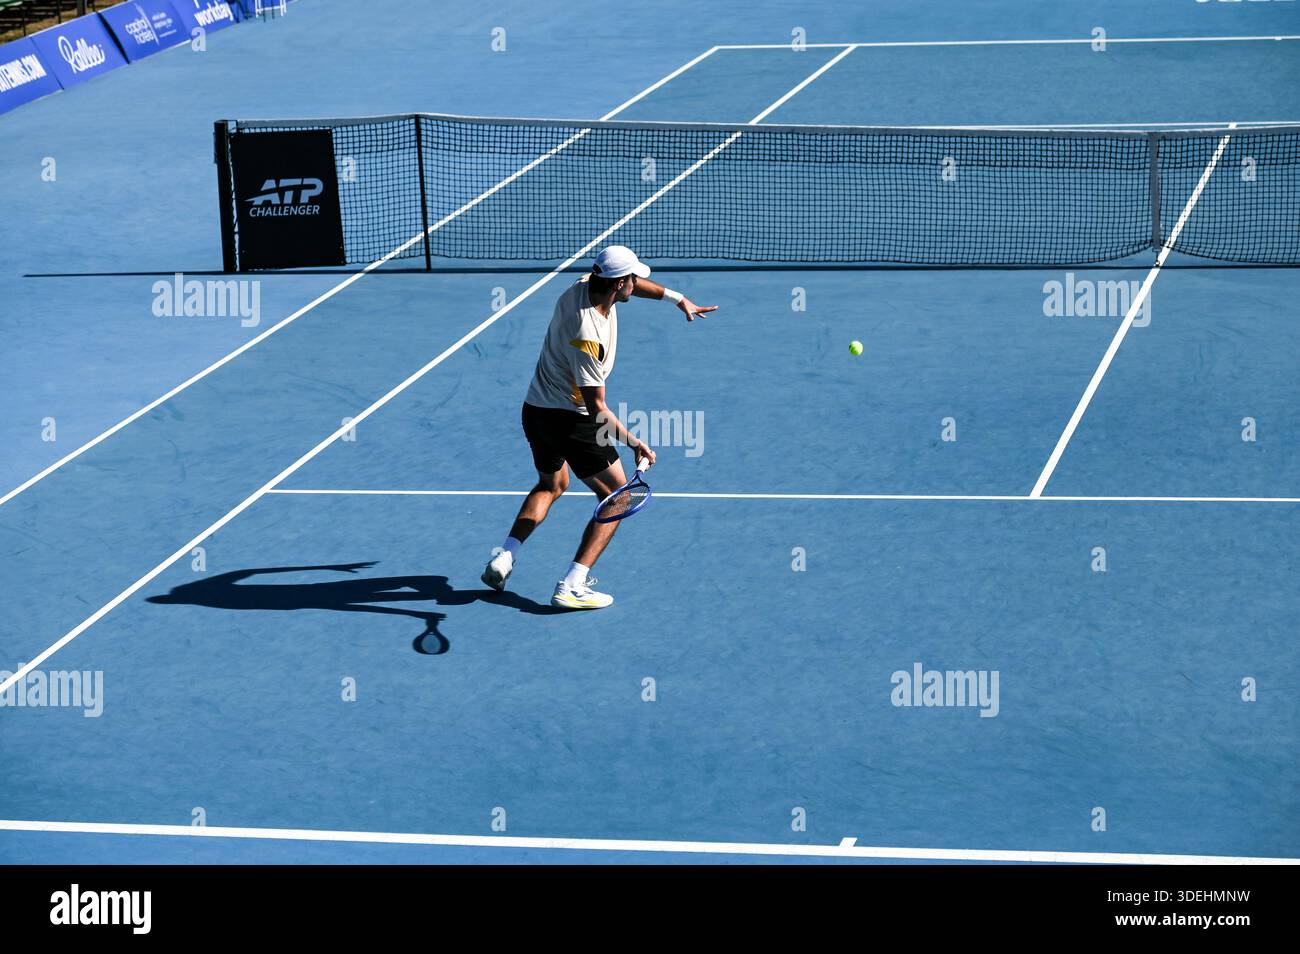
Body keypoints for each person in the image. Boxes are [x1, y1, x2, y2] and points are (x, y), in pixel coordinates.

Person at [480, 245, 717, 609]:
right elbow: (596, 408)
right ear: (618, 283)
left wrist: (677, 298)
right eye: (632, 279)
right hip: (571, 420)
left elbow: (637, 286)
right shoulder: (588, 337)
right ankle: (572, 585)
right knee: (618, 496)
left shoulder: (583, 285)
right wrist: (635, 443)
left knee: (552, 484)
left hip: (535, 411)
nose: (637, 284)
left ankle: (505, 556)